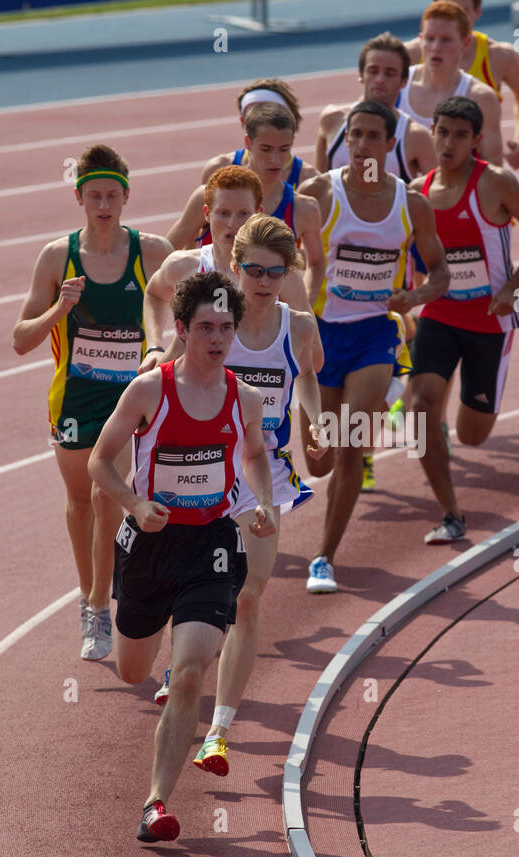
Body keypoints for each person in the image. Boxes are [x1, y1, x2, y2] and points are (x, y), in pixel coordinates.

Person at [88, 270, 276, 843]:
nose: (216, 338)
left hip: (209, 544)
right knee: (134, 670)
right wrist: (134, 504)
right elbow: (99, 462)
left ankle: (156, 804)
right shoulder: (149, 390)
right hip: (148, 543)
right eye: (204, 328)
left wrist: (261, 502)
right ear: (180, 328)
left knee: (191, 673)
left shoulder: (242, 396)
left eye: (225, 328)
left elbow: (255, 455)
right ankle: (145, 649)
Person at [140, 215, 327, 771]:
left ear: (288, 271)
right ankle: (182, 663)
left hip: (260, 475)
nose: (263, 281)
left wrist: (318, 428)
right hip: (198, 470)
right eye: (252, 269)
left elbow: (309, 382)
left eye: (275, 271)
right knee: (193, 585)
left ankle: (218, 730)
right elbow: (175, 377)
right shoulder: (216, 323)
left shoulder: (299, 327)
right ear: (235, 264)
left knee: (246, 597)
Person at [12, 144, 172, 660]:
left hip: (133, 397)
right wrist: (61, 307)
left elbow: (184, 313)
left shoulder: (152, 253)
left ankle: (103, 607)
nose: (104, 204)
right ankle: (91, 598)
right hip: (75, 398)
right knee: (82, 504)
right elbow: (20, 338)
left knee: (109, 499)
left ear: (126, 196)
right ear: (79, 196)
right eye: (94, 195)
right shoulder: (59, 256)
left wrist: (159, 350)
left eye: (113, 195)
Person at [297, 99, 450, 593]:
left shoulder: (412, 204)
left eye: (371, 136)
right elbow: (285, 258)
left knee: (349, 448)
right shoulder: (318, 194)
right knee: (318, 460)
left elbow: (440, 271)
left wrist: (416, 295)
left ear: (390, 144)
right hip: (321, 337)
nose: (361, 144)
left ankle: (324, 557)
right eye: (353, 135)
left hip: (375, 336)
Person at [409, 97, 519, 543]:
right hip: (440, 314)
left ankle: (450, 426)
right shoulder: (417, 192)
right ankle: (452, 514)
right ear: (431, 132)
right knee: (419, 411)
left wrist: (513, 287)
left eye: (459, 134)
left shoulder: (495, 183)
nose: (449, 142)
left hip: (491, 322)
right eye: (442, 131)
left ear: (475, 140)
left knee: (472, 435)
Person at [167, 101, 325, 289]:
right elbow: (168, 250)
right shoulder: (208, 196)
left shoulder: (303, 208)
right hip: (213, 311)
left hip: (264, 314)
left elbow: (316, 263)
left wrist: (303, 304)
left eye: (284, 149)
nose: (275, 159)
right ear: (248, 143)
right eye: (266, 149)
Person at [146, 165, 314, 338]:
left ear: (258, 213)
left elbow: (313, 350)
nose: (233, 223)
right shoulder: (183, 266)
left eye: (243, 213)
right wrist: (154, 346)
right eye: (223, 213)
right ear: (207, 213)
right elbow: (154, 294)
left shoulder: (279, 274)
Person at [405, 0, 519, 168]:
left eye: (463, 10)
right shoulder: (407, 57)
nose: (454, 14)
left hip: (468, 175)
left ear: (478, 11)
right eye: (448, 7)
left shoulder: (498, 57)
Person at [316, 32, 436, 182]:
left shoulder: (416, 136)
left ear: (404, 80)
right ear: (361, 74)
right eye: (373, 71)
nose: (380, 79)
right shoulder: (331, 120)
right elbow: (319, 185)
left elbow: (436, 194)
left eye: (389, 73)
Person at [396, 1, 502, 165]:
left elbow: (494, 167)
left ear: (465, 43)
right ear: (421, 39)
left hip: (456, 189)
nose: (436, 47)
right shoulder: (397, 85)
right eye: (430, 39)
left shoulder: (481, 98)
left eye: (446, 40)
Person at [201, 78, 320, 189]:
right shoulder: (217, 169)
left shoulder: (309, 179)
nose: (263, 120)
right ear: (243, 122)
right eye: (254, 117)